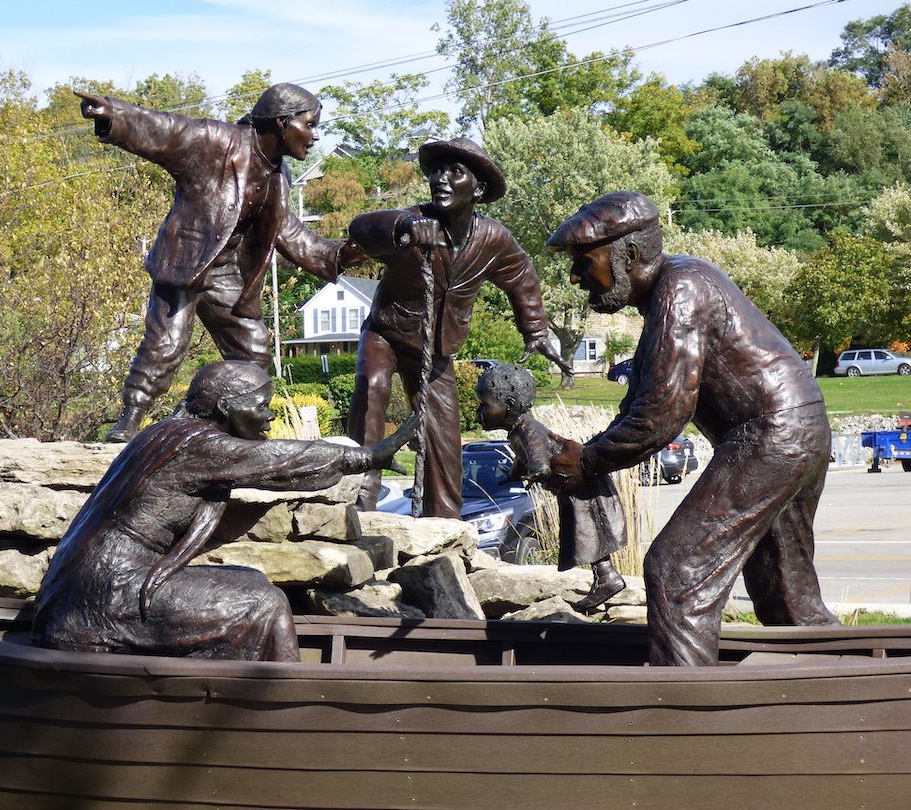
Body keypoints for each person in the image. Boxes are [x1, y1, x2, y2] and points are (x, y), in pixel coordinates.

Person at [539, 191, 839, 666]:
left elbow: (662, 411)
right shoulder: (669, 293)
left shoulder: (682, 288)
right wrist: (586, 453)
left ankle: (683, 716)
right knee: (786, 591)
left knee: (678, 568)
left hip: (771, 434)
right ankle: (844, 687)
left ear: (630, 254)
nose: (575, 277)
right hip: (795, 430)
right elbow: (641, 401)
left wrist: (592, 460)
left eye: (584, 261)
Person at [32, 360, 418, 662]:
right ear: (225, 406)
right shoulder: (197, 445)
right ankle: (280, 711)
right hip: (105, 593)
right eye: (261, 406)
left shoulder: (167, 432)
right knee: (263, 604)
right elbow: (282, 461)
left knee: (252, 580)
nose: (270, 415)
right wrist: (369, 455)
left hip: (91, 583)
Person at [76, 83, 363, 441]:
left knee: (254, 350)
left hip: (226, 274)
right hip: (185, 262)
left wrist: (349, 253)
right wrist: (115, 115)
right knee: (166, 344)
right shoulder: (217, 141)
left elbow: (292, 236)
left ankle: (200, 419)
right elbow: (167, 129)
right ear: (282, 122)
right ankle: (129, 421)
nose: (315, 135)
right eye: (310, 124)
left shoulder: (279, 177)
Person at [345, 137, 566, 519]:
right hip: (387, 331)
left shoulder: (493, 239)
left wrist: (536, 332)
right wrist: (405, 226)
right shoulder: (413, 221)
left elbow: (521, 277)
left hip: (436, 350)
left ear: (477, 189)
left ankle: (444, 521)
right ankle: (358, 500)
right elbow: (362, 228)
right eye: (436, 171)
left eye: (455, 172)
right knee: (373, 390)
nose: (441, 179)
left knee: (445, 434)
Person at [475, 363, 627, 610]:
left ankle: (607, 578)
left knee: (588, 532)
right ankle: (605, 577)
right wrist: (513, 476)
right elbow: (522, 460)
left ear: (510, 406)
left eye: (485, 404)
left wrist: (536, 475)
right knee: (584, 534)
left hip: (578, 483)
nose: (479, 411)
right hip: (570, 485)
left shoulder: (527, 429)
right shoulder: (517, 432)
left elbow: (539, 462)